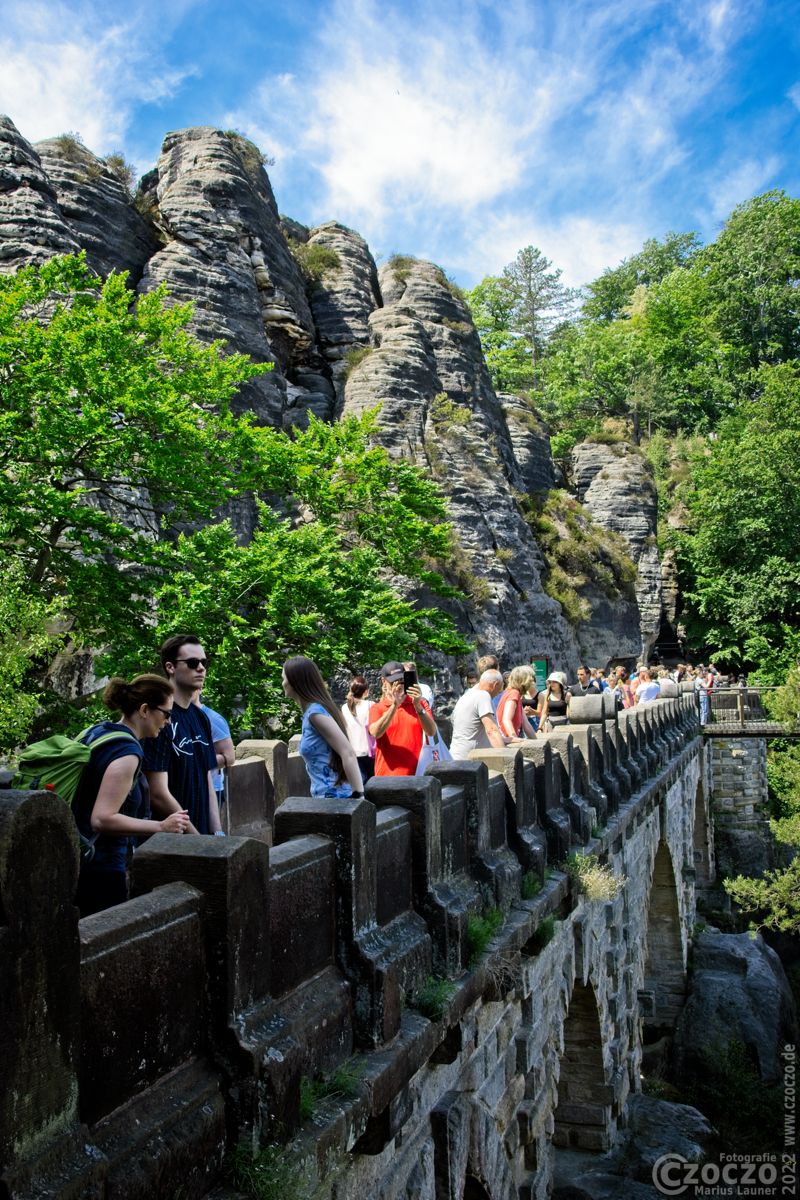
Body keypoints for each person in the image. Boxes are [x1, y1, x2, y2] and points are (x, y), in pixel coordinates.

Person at [74, 675, 190, 917]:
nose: (168, 721)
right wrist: (161, 825)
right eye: (166, 714)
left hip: (80, 862)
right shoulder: (127, 753)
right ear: (145, 710)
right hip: (102, 870)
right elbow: (102, 819)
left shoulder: (98, 732)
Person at [143, 634, 222, 836]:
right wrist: (195, 838)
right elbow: (158, 793)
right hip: (170, 843)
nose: (201, 668)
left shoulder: (201, 718)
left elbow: (207, 779)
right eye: (192, 662)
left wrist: (217, 833)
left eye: (204, 662)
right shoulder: (159, 718)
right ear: (170, 667)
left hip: (201, 837)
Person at [282, 657, 363, 798]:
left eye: (284, 678)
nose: (282, 683)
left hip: (336, 799)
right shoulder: (311, 712)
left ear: (295, 681)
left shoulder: (315, 713)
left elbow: (347, 752)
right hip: (326, 800)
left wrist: (358, 795)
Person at [368, 661, 437, 776]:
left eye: (401, 680)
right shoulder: (377, 708)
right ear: (384, 681)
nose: (398, 685)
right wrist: (395, 705)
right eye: (393, 681)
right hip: (388, 777)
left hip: (418, 774)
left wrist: (418, 706)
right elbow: (375, 733)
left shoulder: (420, 703)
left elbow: (431, 732)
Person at [192, 689, 235, 820]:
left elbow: (229, 757)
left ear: (199, 689)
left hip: (211, 790)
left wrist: (194, 762)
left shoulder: (213, 718)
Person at [450, 670, 511, 758]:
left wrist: (503, 739)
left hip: (456, 755)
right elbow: (492, 731)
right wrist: (507, 758)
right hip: (470, 760)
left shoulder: (467, 695)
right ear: (495, 685)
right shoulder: (483, 695)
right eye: (499, 689)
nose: (498, 693)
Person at [341, 675, 375, 785]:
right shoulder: (370, 705)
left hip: (352, 751)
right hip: (369, 751)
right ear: (365, 691)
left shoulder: (344, 707)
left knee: (359, 782)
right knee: (372, 782)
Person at [497, 665, 538, 739]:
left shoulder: (513, 693)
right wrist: (515, 739)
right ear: (524, 681)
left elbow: (526, 724)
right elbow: (506, 719)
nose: (532, 682)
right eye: (531, 679)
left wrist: (537, 742)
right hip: (508, 739)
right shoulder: (514, 694)